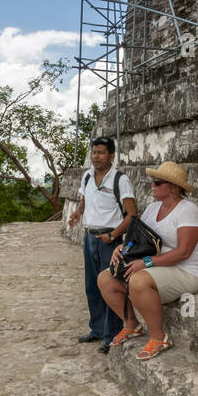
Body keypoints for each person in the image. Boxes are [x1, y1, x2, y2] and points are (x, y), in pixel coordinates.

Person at [100, 162, 198, 361]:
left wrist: (146, 262)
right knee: (105, 278)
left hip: (187, 271)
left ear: (173, 188)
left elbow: (183, 252)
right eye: (153, 182)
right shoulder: (152, 208)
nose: (152, 186)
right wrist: (121, 247)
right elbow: (137, 237)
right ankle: (131, 325)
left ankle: (159, 337)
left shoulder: (187, 210)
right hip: (159, 266)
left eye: (157, 183)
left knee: (138, 280)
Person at [63, 137, 140, 349]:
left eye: (101, 153)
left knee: (109, 286)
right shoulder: (87, 176)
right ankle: (97, 329)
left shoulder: (120, 180)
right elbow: (85, 200)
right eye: (94, 152)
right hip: (90, 237)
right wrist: (78, 213)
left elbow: (132, 215)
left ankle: (111, 334)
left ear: (112, 156)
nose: (96, 156)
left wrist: (113, 235)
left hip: (109, 240)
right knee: (92, 287)